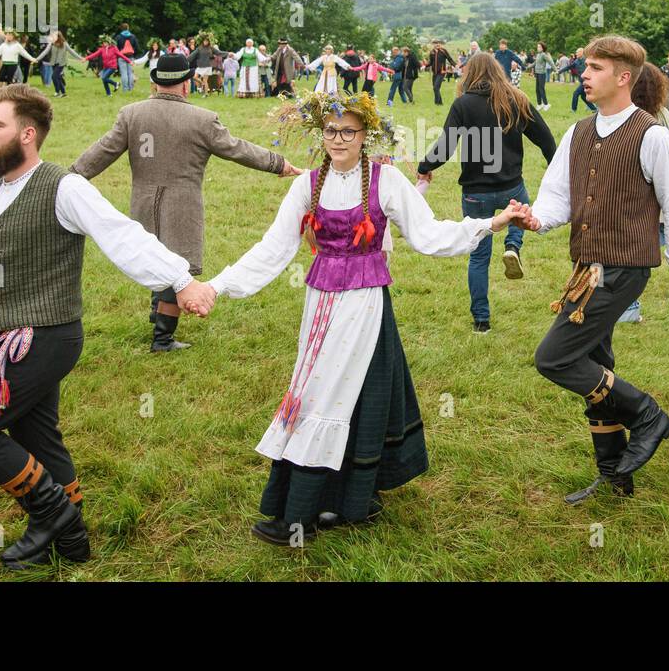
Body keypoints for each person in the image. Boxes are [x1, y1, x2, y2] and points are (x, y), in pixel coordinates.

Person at [0, 84, 214, 569]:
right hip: (11, 336)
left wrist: (179, 279)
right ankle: (73, 545)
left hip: (47, 337)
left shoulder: (63, 187)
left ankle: (52, 515)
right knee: (38, 437)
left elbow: (121, 234)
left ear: (27, 134)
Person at [204, 90, 525, 544]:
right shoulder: (306, 186)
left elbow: (428, 235)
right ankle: (320, 504)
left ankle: (331, 505)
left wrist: (491, 223)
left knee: (343, 394)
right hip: (320, 303)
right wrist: (217, 286)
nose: (338, 139)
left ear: (365, 135)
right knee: (316, 393)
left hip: (366, 305)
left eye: (348, 131)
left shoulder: (386, 182)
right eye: (331, 131)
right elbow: (273, 250)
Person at [515, 36, 669, 504]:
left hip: (625, 267)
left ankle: (648, 415)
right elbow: (558, 195)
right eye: (585, 65)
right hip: (586, 264)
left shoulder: (651, 134)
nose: (585, 73)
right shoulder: (578, 132)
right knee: (596, 368)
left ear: (623, 77)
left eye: (596, 67)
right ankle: (616, 475)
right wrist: (537, 219)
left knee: (554, 358)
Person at [71, 54, 299, 352]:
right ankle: (162, 339)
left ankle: (158, 318)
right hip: (183, 205)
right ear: (187, 83)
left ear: (155, 82)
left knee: (153, 258)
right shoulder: (202, 119)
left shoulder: (131, 114)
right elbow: (237, 149)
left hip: (142, 201)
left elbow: (100, 152)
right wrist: (277, 164)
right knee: (176, 268)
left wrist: (69, 178)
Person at [416, 52, 556, 332]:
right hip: (511, 186)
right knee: (522, 213)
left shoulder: (463, 104)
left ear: (470, 74)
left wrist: (424, 166)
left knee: (478, 256)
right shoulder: (516, 99)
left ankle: (482, 320)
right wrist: (557, 171)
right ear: (498, 71)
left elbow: (446, 146)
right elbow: (546, 139)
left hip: (475, 193)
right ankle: (513, 246)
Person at [618, 63, 669, 324]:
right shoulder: (660, 115)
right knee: (636, 254)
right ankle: (630, 305)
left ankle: (630, 305)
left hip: (641, 201)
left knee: (631, 255)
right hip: (654, 200)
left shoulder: (628, 117)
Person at [32, 30, 83, 98]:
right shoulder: (51, 44)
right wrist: (37, 59)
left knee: (54, 76)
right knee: (58, 78)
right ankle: (64, 93)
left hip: (61, 63)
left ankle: (57, 92)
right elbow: (45, 52)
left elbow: (72, 52)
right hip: (53, 63)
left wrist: (81, 58)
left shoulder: (64, 44)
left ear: (58, 37)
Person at [116, 23, 140, 92]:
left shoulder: (118, 37)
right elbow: (137, 47)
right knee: (130, 73)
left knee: (124, 73)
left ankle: (125, 89)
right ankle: (131, 89)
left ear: (121, 28)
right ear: (128, 28)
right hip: (130, 57)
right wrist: (134, 55)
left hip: (121, 57)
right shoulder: (133, 36)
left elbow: (116, 48)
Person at [531, 42, 555, 111]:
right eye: (537, 47)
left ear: (543, 48)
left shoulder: (544, 55)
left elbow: (550, 62)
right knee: (537, 89)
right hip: (537, 73)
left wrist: (556, 70)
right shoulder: (538, 55)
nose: (538, 48)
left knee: (541, 89)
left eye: (539, 47)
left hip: (542, 74)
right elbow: (534, 63)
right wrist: (526, 67)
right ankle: (539, 104)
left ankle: (546, 104)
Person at [570, 47, 595, 112]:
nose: (576, 53)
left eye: (577, 52)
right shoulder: (576, 61)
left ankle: (573, 109)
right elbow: (569, 67)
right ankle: (594, 109)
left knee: (576, 93)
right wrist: (560, 71)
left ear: (581, 53)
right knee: (583, 96)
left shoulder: (586, 61)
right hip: (581, 81)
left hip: (586, 81)